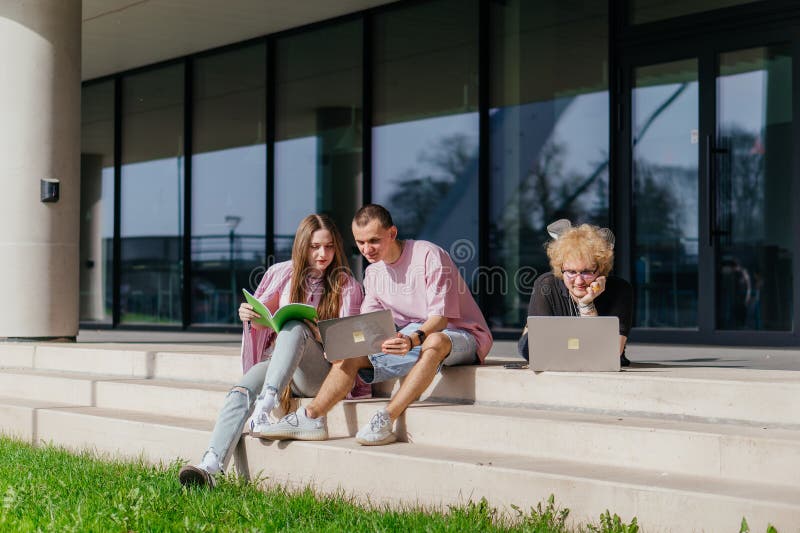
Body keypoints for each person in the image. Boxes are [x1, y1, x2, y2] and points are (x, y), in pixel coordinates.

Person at [259, 204, 493, 446]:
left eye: (374, 241)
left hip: (459, 334)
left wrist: (412, 339)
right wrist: (338, 342)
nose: (366, 249)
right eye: (360, 242)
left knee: (434, 340)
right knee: (349, 355)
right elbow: (367, 323)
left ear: (392, 233)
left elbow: (440, 319)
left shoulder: (429, 256)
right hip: (408, 336)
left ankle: (385, 418)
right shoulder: (373, 273)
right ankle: (311, 417)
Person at [179, 213, 365, 487]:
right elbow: (263, 317)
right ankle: (211, 466)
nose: (323, 254)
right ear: (302, 246)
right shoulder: (282, 274)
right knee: (240, 391)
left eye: (329, 247)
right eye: (315, 247)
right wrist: (248, 315)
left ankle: (264, 409)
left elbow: (351, 347)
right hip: (283, 366)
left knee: (295, 326)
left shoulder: (346, 285)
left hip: (320, 375)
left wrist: (318, 333)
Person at [518, 220, 634, 366]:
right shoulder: (546, 285)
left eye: (587, 272)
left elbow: (609, 354)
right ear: (560, 268)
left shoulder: (620, 290)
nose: (579, 281)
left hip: (606, 373)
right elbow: (532, 349)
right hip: (555, 368)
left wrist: (586, 304)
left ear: (601, 269)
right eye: (571, 272)